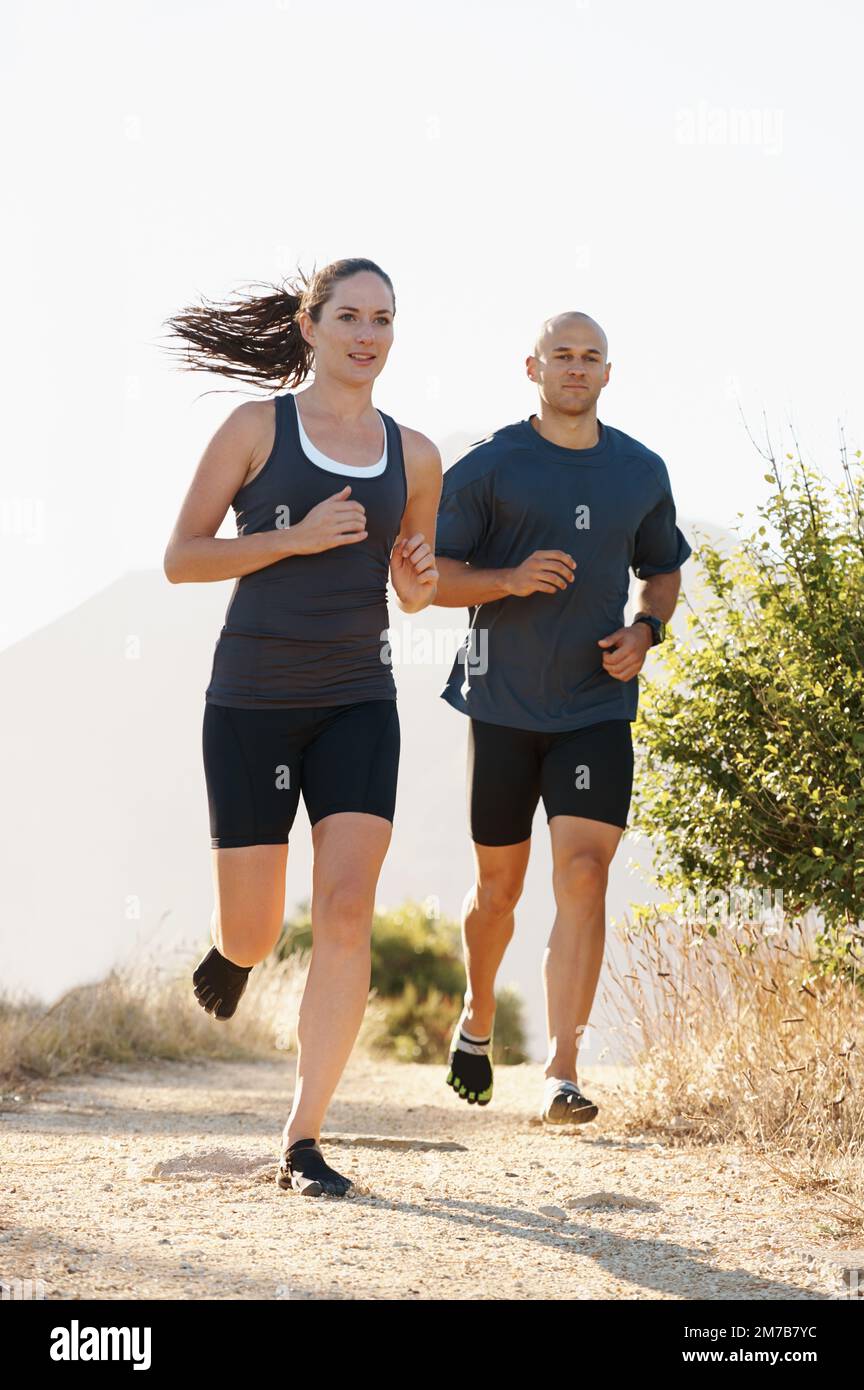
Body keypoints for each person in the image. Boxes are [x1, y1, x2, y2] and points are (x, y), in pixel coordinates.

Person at [162, 259, 442, 1194]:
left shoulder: (415, 456)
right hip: (250, 700)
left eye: (384, 320)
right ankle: (236, 953)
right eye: (351, 316)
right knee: (254, 926)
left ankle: (302, 1138)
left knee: (346, 909)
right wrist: (291, 535)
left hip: (358, 699)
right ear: (310, 324)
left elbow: (412, 588)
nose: (369, 335)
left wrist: (414, 579)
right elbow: (182, 558)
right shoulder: (255, 427)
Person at [433, 311, 691, 1123]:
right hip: (502, 701)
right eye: (561, 356)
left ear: (607, 374)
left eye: (590, 358)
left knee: (583, 874)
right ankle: (476, 1018)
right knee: (497, 891)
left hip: (594, 704)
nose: (575, 369)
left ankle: (562, 1068)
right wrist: (507, 580)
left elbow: (662, 570)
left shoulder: (639, 470)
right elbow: (430, 578)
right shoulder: (490, 466)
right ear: (532, 367)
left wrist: (646, 630)